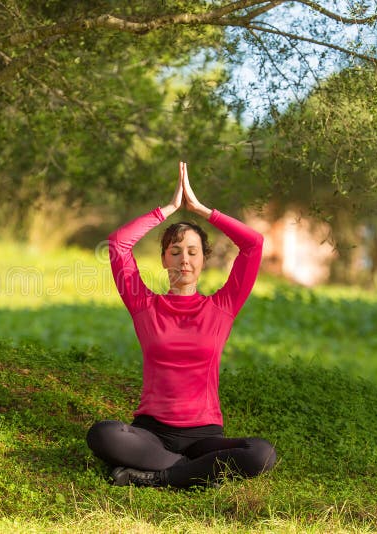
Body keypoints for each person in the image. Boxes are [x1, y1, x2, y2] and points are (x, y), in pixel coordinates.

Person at [86, 161, 276, 488]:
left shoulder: (222, 307)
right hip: (152, 434)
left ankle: (158, 476)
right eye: (175, 251)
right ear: (164, 259)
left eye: (192, 251)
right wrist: (169, 209)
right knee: (102, 434)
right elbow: (118, 244)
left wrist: (202, 210)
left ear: (203, 259)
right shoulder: (144, 305)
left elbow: (253, 244)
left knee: (261, 453)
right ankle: (195, 472)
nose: (184, 260)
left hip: (205, 436)